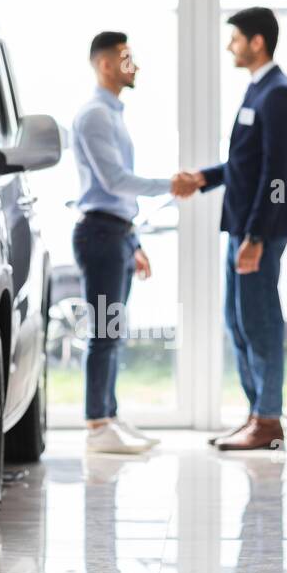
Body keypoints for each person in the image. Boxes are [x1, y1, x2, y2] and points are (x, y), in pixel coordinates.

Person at [177, 7, 287, 451]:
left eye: (234, 38)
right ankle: (257, 415)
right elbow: (244, 163)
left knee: (260, 322)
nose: (229, 45)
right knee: (238, 320)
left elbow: (276, 175)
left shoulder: (279, 94)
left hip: (259, 231)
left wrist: (256, 236)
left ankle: (268, 422)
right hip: (243, 227)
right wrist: (204, 178)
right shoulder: (259, 90)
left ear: (256, 42)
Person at [71, 31, 199, 454]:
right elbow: (114, 182)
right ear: (105, 64)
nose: (134, 65)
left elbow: (118, 194)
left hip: (117, 234)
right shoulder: (94, 116)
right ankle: (96, 426)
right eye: (126, 58)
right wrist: (170, 184)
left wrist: (135, 241)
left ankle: (108, 416)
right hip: (101, 234)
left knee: (113, 332)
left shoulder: (112, 114)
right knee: (104, 333)